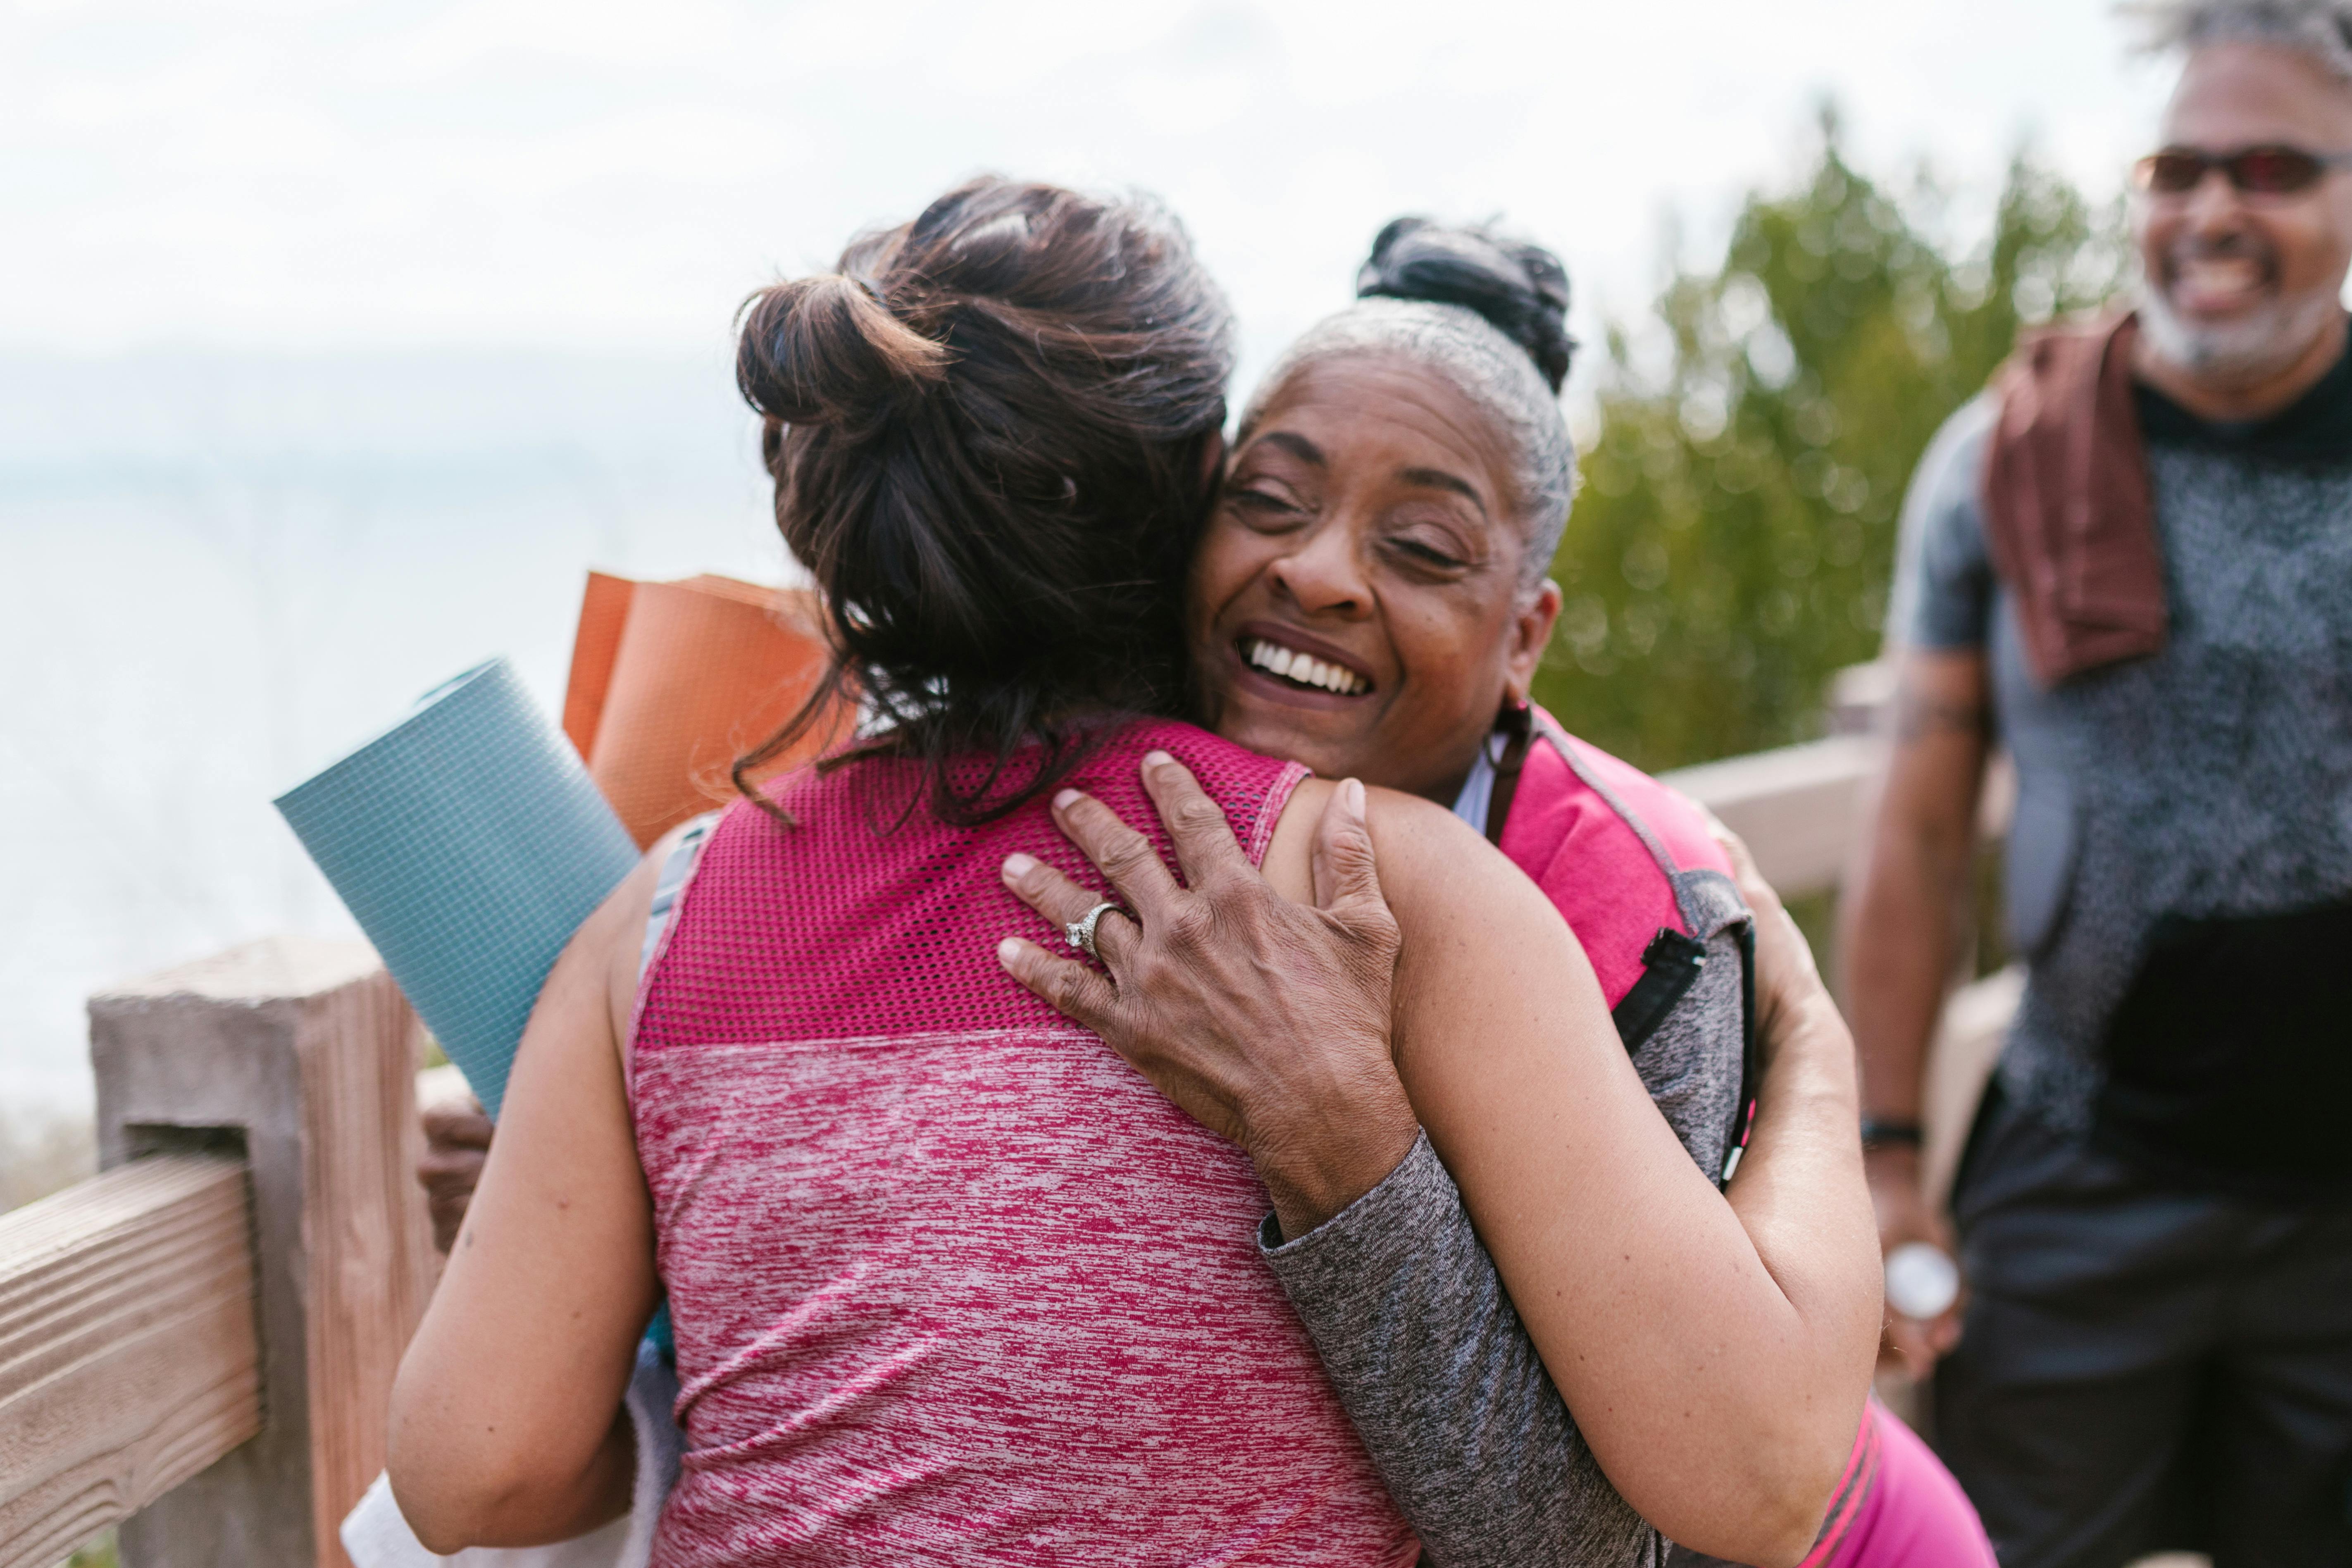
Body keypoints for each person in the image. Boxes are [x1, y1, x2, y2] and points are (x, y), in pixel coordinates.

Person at [386, 177, 1880, 1567]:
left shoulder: (660, 916)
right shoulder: (1386, 886)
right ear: (1185, 503)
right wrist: (1809, 1044)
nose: (1318, 570)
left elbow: (472, 1469)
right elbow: (1754, 1474)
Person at [997, 220, 1993, 1567]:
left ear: (1526, 633)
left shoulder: (1637, 918)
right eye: (1271, 500)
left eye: (1418, 546)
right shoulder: (1112, 790)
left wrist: (1808, 1030)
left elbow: (1663, 1502)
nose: (1319, 571)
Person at [1840, 3, 2352, 1562]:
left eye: (2270, 168)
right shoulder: (2004, 457)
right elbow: (1917, 837)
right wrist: (1886, 1169)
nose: (2210, 210)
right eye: (2175, 165)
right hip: (2076, 1182)